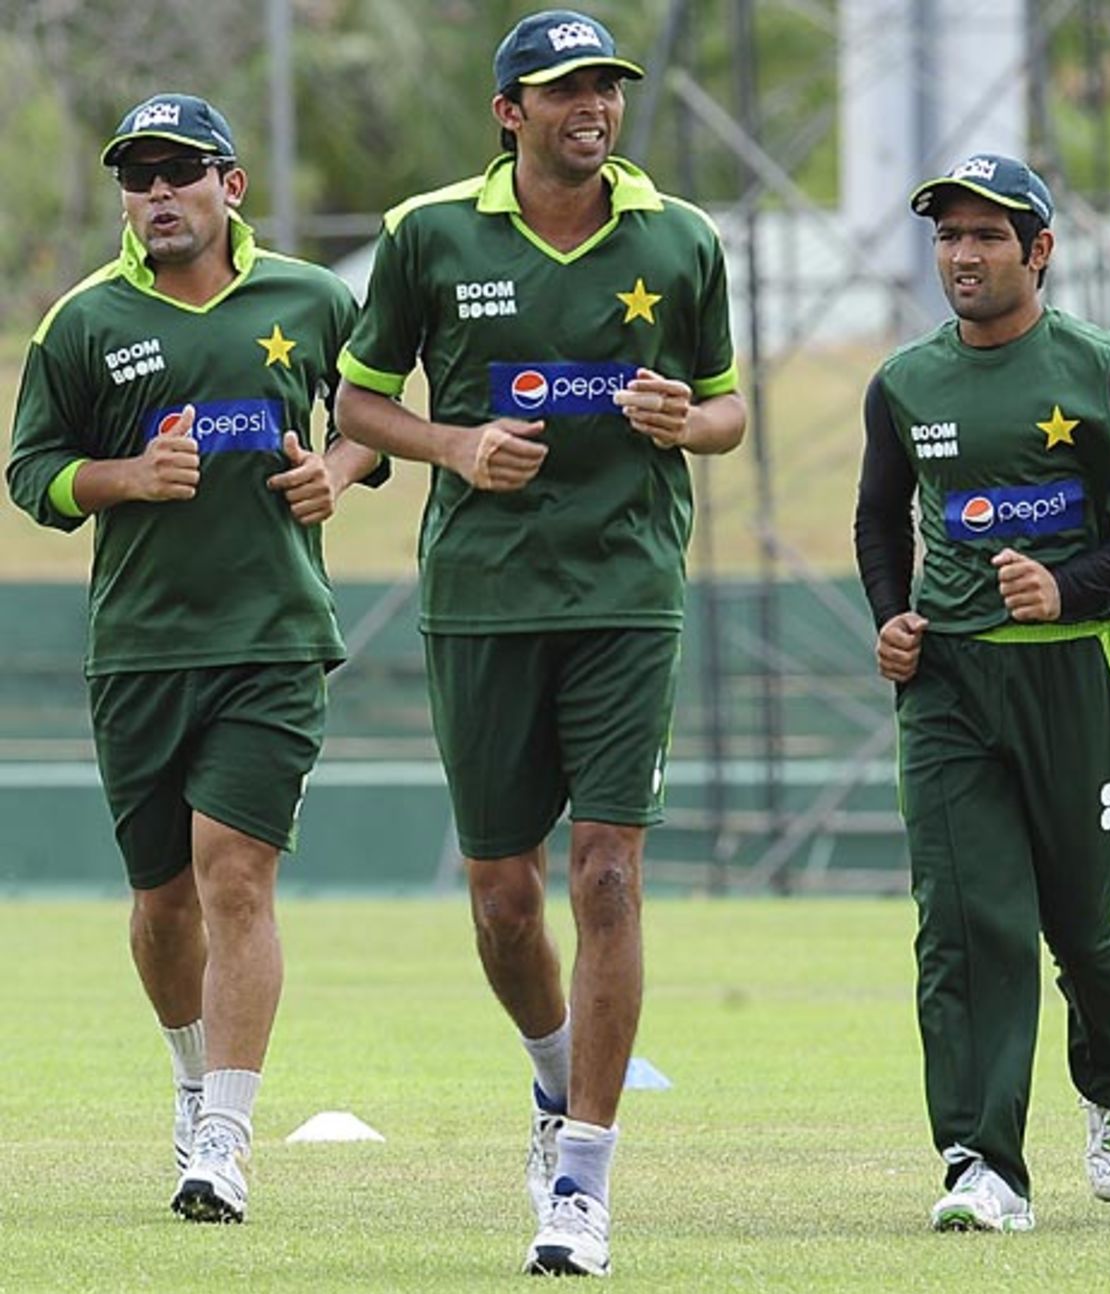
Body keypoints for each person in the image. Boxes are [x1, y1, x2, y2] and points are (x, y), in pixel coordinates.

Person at [334, 9, 745, 1276]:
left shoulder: (679, 240)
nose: (596, 107)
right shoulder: (427, 235)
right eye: (567, 88)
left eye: (609, 88)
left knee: (607, 876)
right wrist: (454, 446)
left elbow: (730, 416)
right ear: (508, 109)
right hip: (482, 600)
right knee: (506, 904)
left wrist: (686, 420)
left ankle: (582, 1181)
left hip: (627, 594)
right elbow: (356, 400)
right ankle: (555, 1074)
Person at [6, 92, 386, 1224]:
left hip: (271, 641)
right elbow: (33, 475)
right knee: (163, 899)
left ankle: (224, 1137)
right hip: (138, 651)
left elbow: (378, 416)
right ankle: (188, 1080)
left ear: (234, 187)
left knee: (234, 874)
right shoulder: (80, 322)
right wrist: (127, 477)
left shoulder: (313, 299)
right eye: (138, 175)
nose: (157, 192)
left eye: (179, 170)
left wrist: (342, 468)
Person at [854, 153, 1110, 1232]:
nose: (964, 254)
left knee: (1080, 921)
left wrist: (1069, 583)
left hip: (1078, 673)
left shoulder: (1098, 368)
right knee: (964, 922)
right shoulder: (904, 383)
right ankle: (981, 1163)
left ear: (1038, 251)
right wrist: (892, 618)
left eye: (988, 236)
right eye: (950, 235)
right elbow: (879, 516)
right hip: (952, 681)